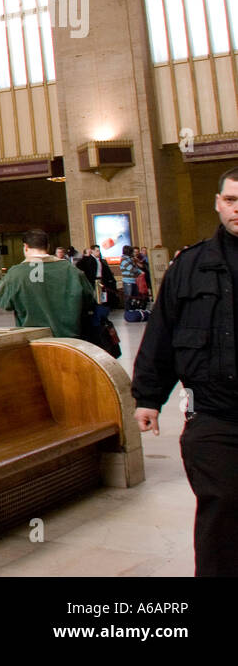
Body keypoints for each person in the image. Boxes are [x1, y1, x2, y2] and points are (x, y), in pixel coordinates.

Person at [132, 166, 238, 576]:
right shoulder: (190, 266)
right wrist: (148, 397)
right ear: (217, 204)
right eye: (230, 201)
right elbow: (161, 332)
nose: (236, 210)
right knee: (222, 507)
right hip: (213, 415)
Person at [0, 230, 95, 339]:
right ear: (48, 247)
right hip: (71, 343)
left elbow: (3, 301)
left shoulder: (16, 274)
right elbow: (89, 300)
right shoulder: (71, 270)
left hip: (34, 343)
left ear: (25, 247)